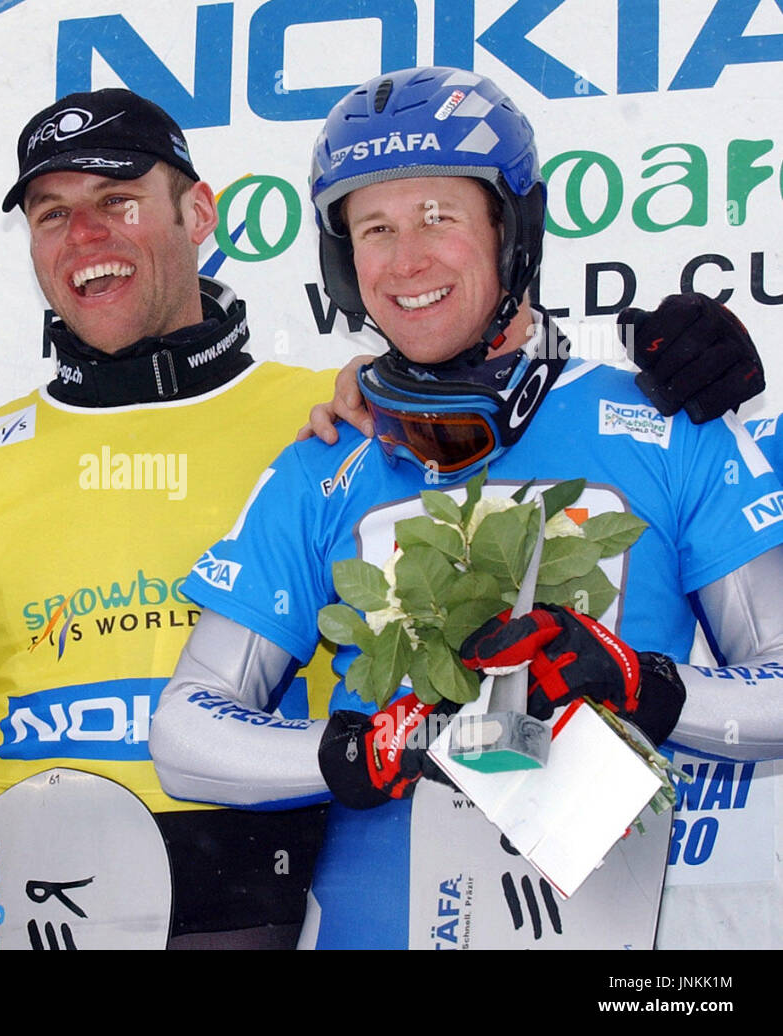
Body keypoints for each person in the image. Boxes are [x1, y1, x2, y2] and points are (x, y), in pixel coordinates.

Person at [149, 66, 783, 948]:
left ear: (512, 230)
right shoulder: (329, 459)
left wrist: (648, 687)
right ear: (343, 261)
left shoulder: (669, 422)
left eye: (439, 217)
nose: (406, 261)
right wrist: (364, 750)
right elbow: (185, 731)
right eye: (375, 228)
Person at [0, 88, 341, 950]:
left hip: (265, 893)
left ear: (200, 211)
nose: (84, 236)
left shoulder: (330, 414)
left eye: (118, 201)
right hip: (23, 898)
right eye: (52, 213)